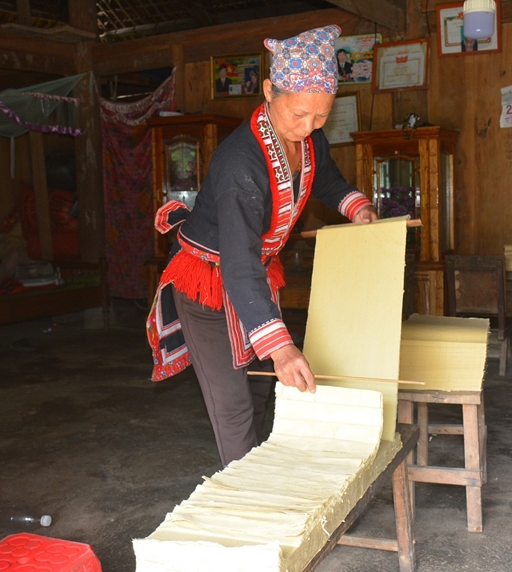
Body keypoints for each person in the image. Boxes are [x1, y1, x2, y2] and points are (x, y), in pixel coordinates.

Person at [147, 24, 378, 467]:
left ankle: (263, 474)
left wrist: (357, 209)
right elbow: (238, 262)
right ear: (269, 91)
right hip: (207, 284)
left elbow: (325, 179)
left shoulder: (308, 135)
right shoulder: (241, 162)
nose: (307, 126)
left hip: (250, 273)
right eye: (298, 115)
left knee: (259, 388)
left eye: (320, 116)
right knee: (233, 403)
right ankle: (247, 501)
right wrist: (283, 346)